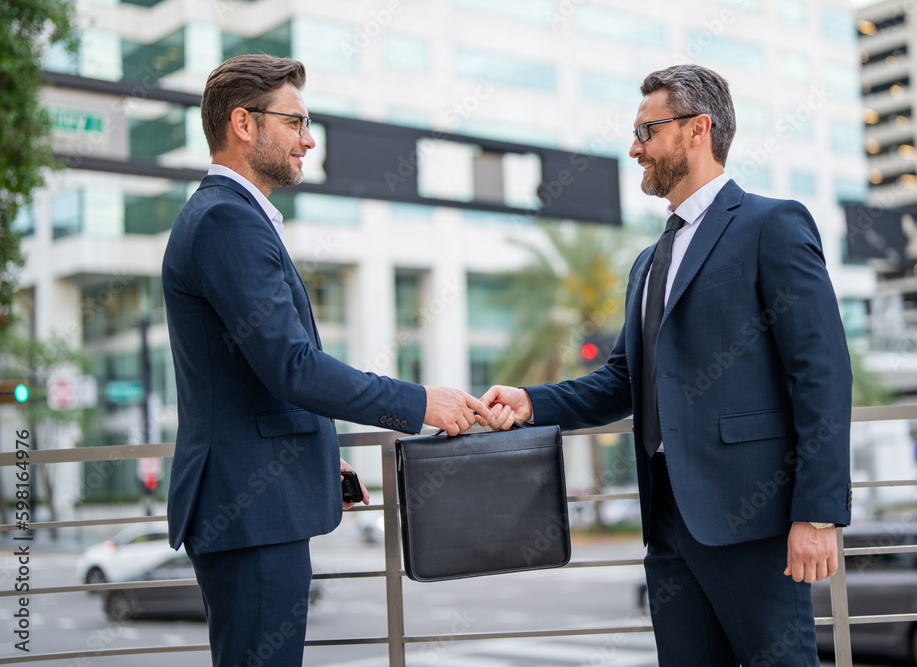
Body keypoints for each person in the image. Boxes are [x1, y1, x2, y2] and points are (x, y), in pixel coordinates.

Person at [483, 64, 852, 666]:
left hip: (753, 518)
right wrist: (530, 402)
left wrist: (817, 513)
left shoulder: (772, 225)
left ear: (697, 129)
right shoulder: (648, 262)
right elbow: (623, 382)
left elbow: (823, 373)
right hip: (667, 521)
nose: (635, 149)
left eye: (646, 132)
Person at [161, 54, 494, 667]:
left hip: (255, 502)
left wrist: (314, 451)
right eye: (294, 122)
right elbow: (292, 365)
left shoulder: (230, 217)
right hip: (250, 511)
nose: (307, 139)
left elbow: (256, 373)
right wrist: (420, 402)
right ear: (243, 123)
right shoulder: (228, 220)